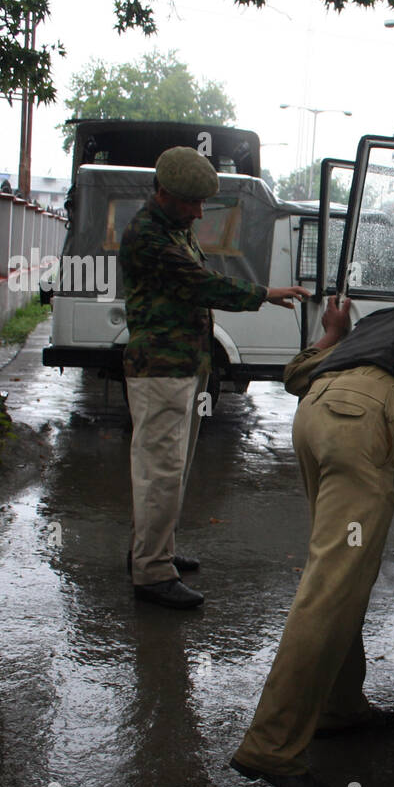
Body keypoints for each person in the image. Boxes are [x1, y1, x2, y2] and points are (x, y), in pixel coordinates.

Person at [230, 288, 394, 787]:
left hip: (313, 417)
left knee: (341, 575)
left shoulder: (380, 326)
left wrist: (333, 332)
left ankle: (339, 707)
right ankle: (271, 746)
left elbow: (294, 375)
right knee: (331, 586)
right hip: (360, 424)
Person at [119, 146, 307, 609]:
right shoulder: (148, 236)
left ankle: (153, 550)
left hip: (184, 364)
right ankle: (151, 573)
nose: (200, 212)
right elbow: (201, 283)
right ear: (164, 193)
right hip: (161, 369)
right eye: (192, 202)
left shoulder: (173, 226)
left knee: (170, 470)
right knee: (160, 472)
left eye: (204, 202)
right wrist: (264, 293)